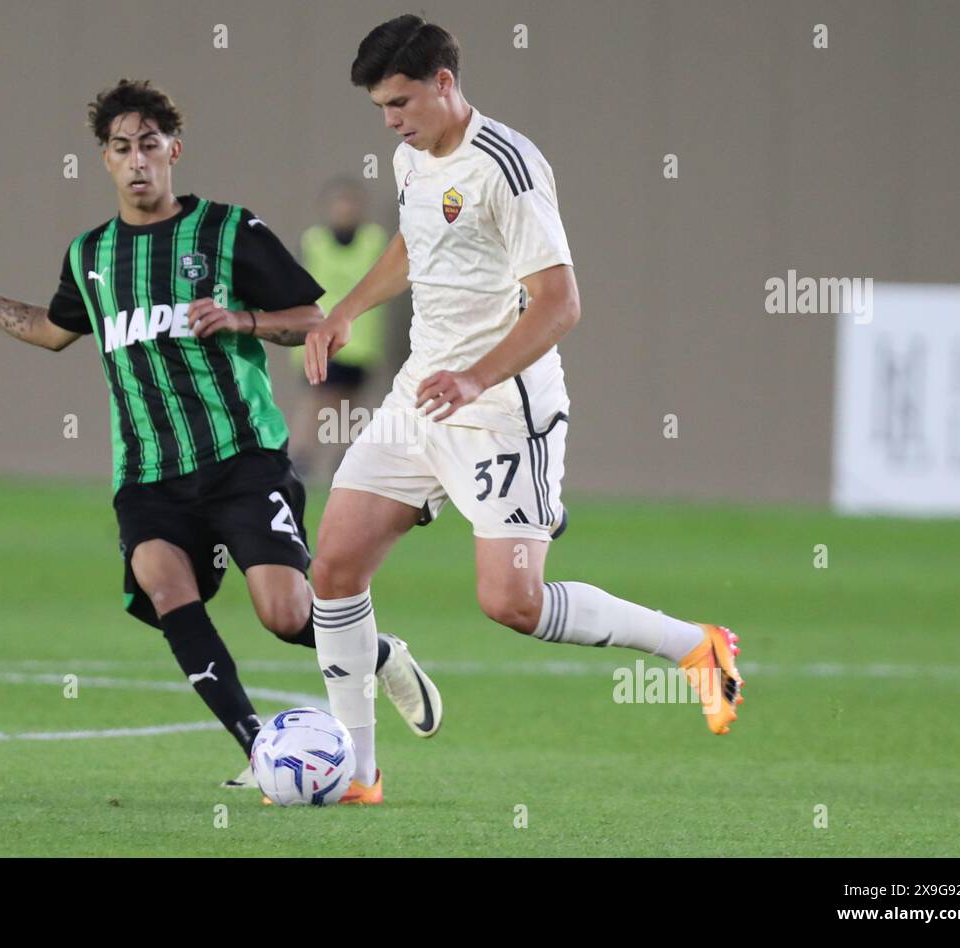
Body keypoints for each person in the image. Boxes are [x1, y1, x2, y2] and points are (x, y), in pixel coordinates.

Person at [0, 79, 440, 788]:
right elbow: (52, 331)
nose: (137, 160)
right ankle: (260, 750)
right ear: (104, 160)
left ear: (174, 149)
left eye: (148, 145)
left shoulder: (229, 232)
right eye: (120, 148)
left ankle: (380, 655)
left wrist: (242, 320)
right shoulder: (92, 256)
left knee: (287, 617)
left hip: (242, 459)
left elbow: (309, 320)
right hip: (147, 475)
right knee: (168, 590)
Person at [303, 16, 745, 803]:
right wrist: (346, 308)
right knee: (332, 568)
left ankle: (696, 647)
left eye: (401, 100)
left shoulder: (509, 165)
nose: (391, 120)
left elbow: (560, 303)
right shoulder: (411, 158)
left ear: (445, 82)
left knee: (512, 603)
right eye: (380, 107)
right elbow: (414, 242)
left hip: (504, 407)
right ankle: (358, 775)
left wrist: (475, 379)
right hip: (420, 396)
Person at [289, 178, 387, 480]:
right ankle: (299, 461)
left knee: (349, 406)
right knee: (318, 401)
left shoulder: (374, 240)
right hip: (322, 336)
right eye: (339, 203)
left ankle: (343, 465)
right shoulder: (314, 242)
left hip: (361, 341)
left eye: (351, 203)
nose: (345, 209)